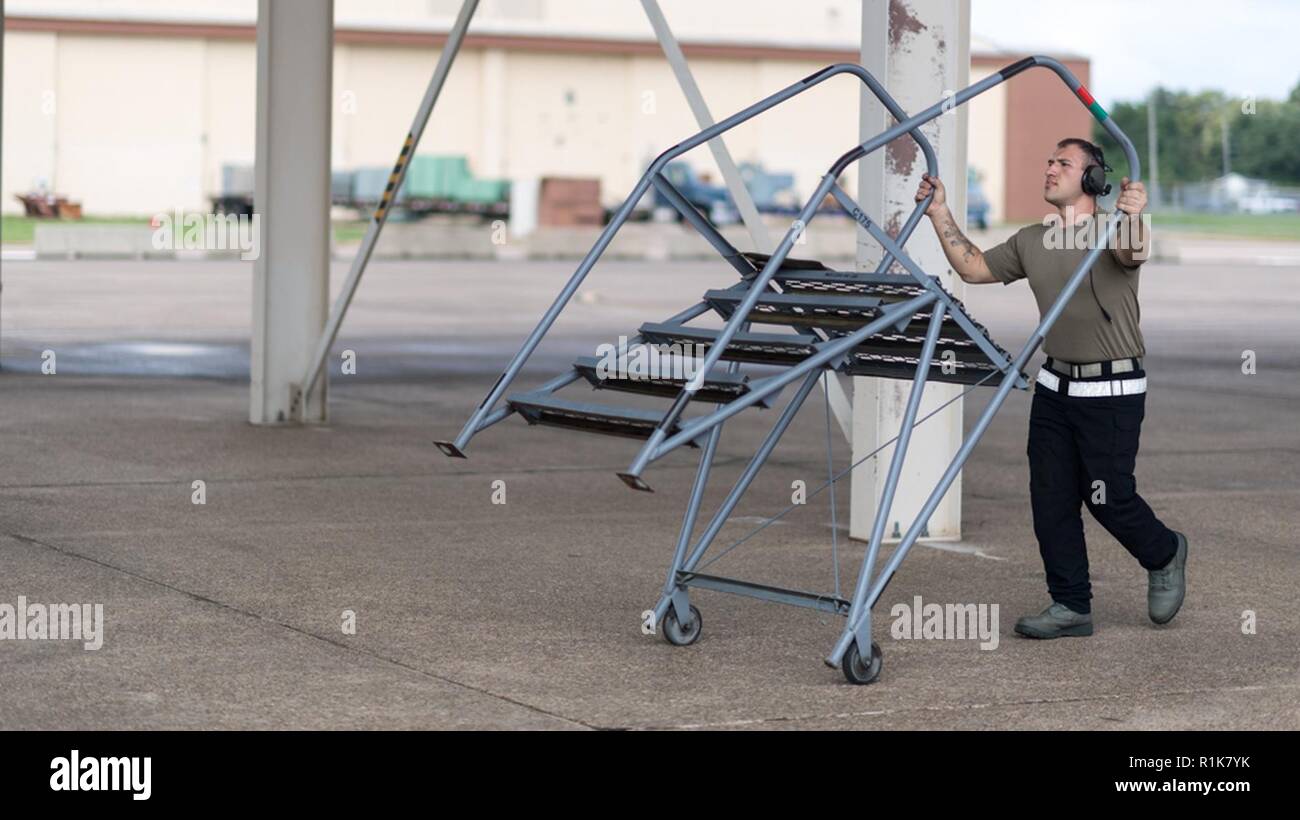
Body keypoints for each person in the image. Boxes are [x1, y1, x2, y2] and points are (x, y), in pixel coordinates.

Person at [914, 137, 1188, 638]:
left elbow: (1134, 253)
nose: (1050, 169)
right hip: (1055, 386)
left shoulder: (1114, 229)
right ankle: (1070, 604)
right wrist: (939, 212)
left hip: (1112, 388)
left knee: (1108, 499)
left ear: (1093, 180)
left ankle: (1165, 552)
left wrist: (1132, 212)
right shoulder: (1031, 240)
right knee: (1051, 498)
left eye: (1063, 163)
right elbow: (974, 267)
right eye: (1048, 160)